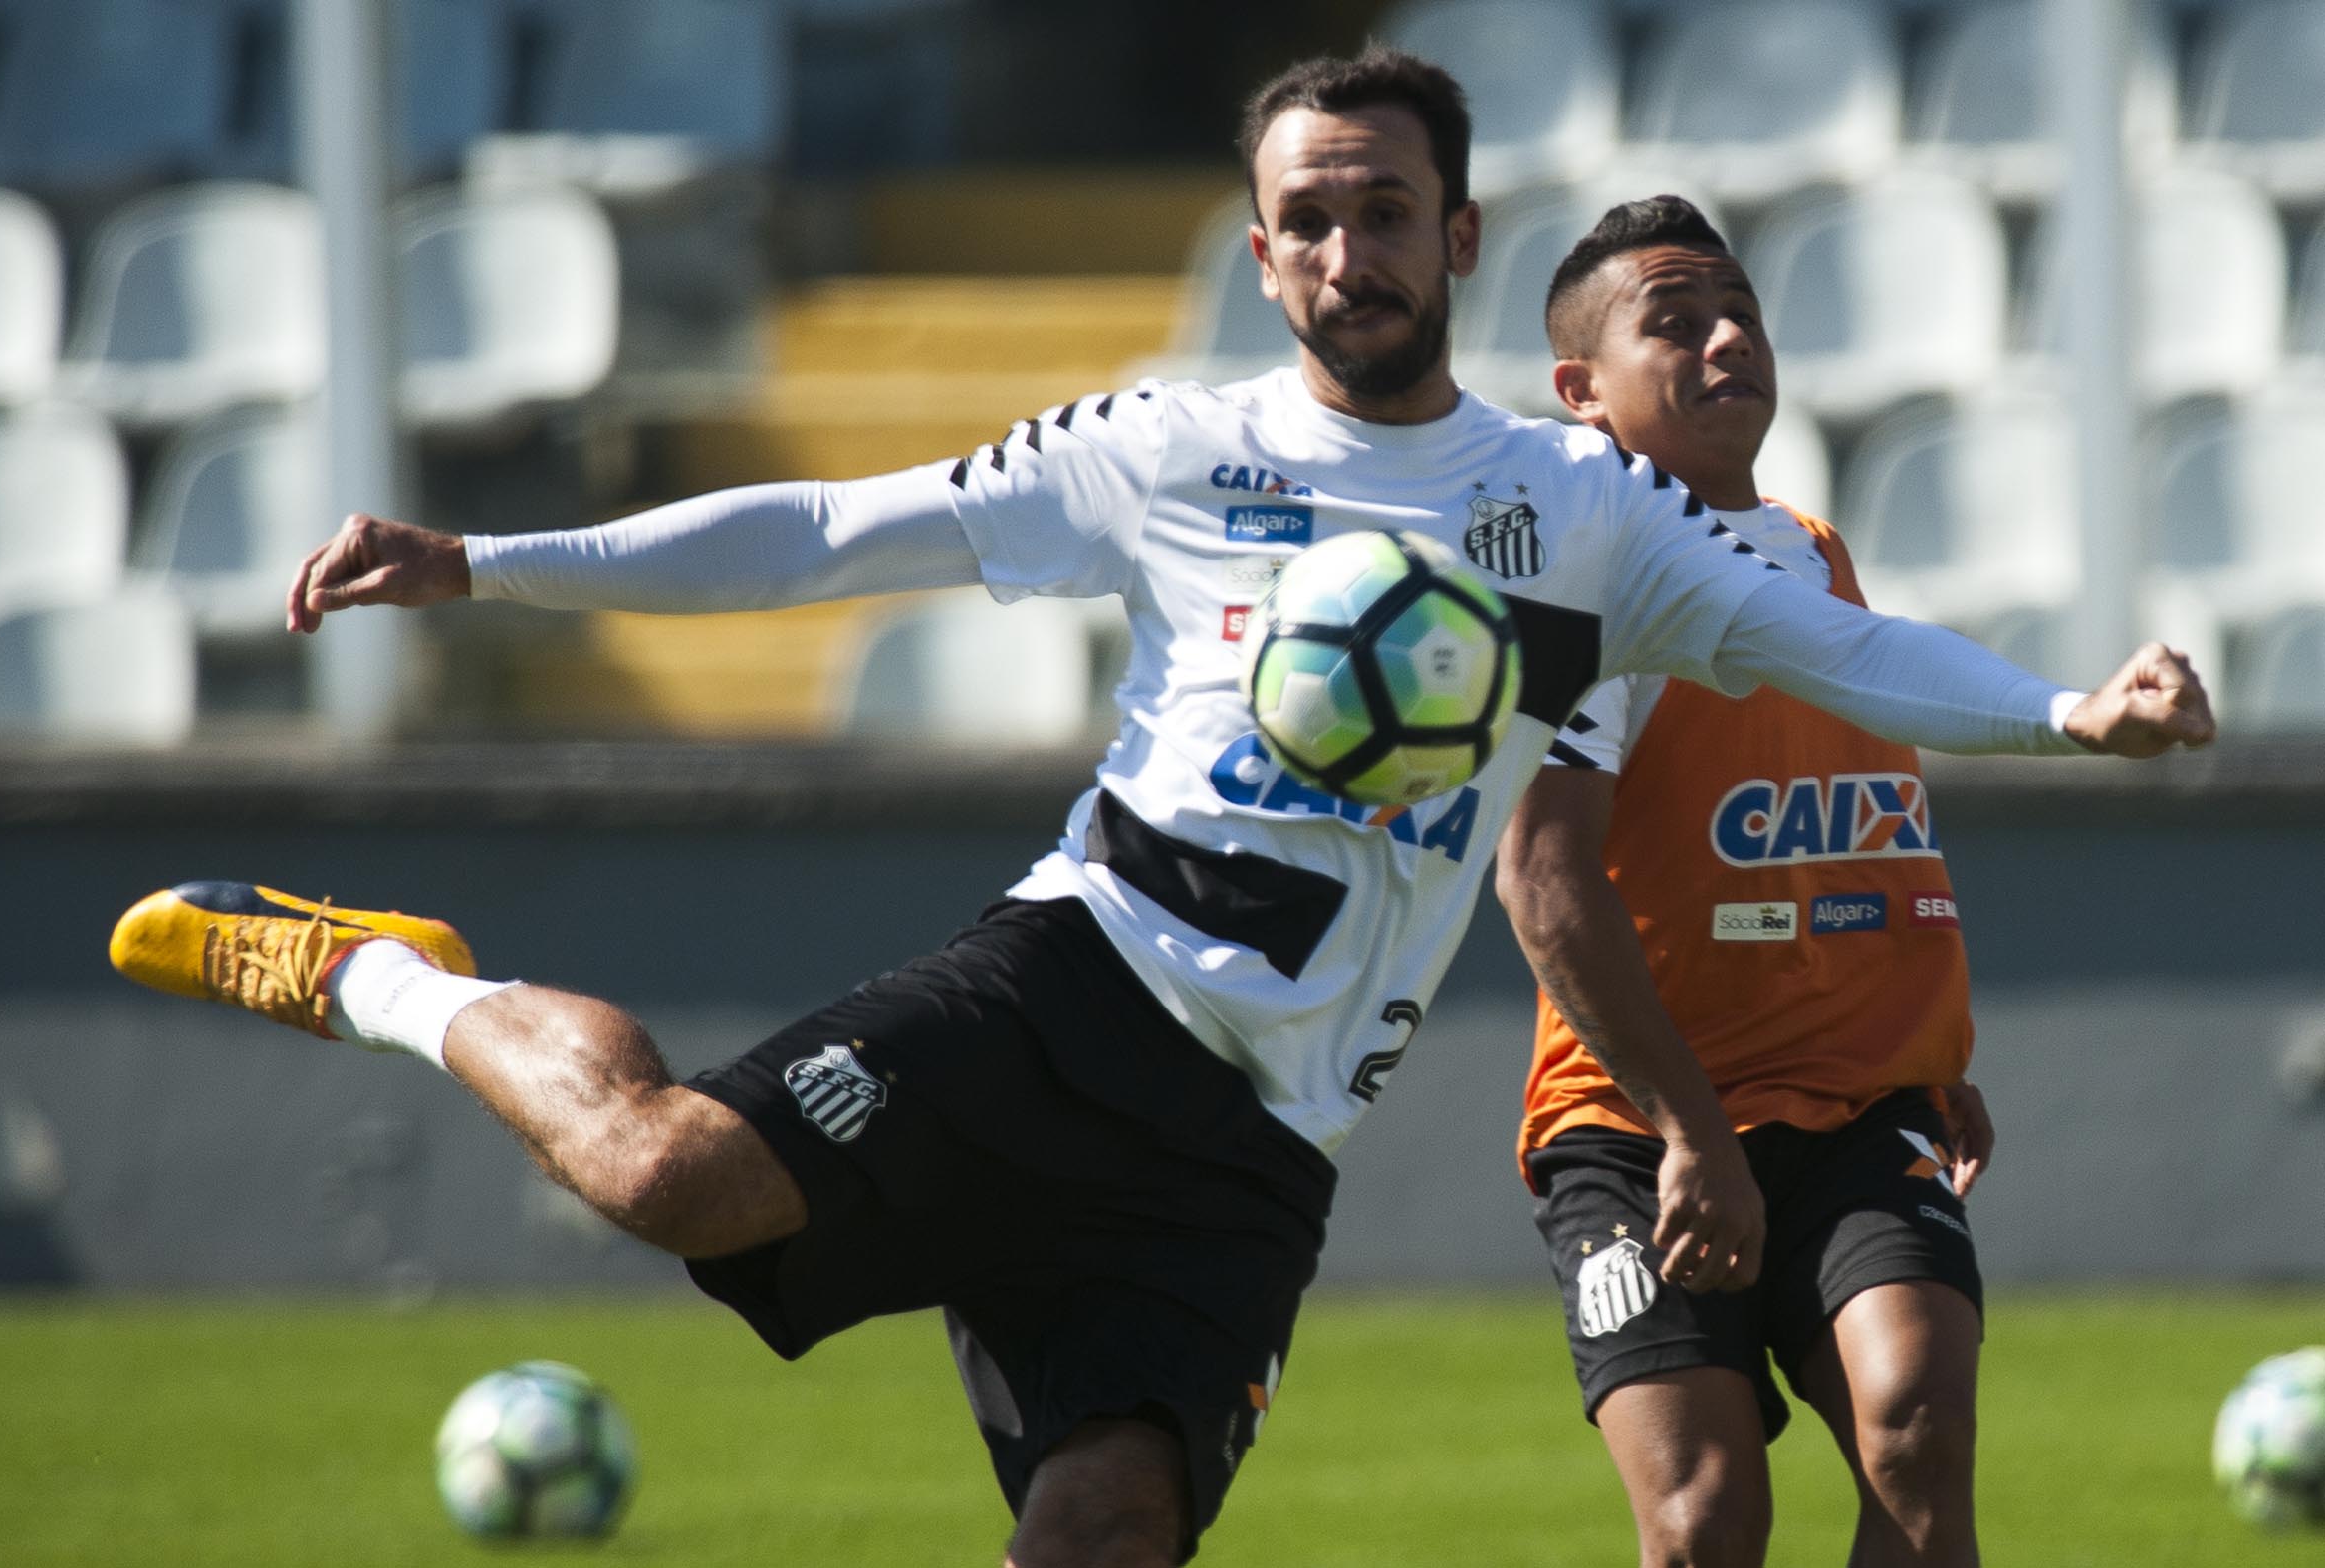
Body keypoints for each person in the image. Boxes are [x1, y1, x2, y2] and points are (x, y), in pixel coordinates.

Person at [107, 48, 2211, 1568]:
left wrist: (2063, 706)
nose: (1341, 249)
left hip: (1256, 1149)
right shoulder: (1161, 449)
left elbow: (1837, 647)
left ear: (1454, 235)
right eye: (1302, 216)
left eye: (1382, 210)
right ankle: (393, 977)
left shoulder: (1575, 511)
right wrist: (491, 562)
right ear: (1260, 247)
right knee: (661, 1171)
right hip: (1073, 989)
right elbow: (836, 530)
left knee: (1102, 1528)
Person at [1498, 195, 2007, 1568]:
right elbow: (1540, 877)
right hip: (1635, 1130)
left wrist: (1920, 1041)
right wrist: (1685, 1135)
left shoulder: (1812, 551)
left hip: (1853, 1108)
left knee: (1913, 1431)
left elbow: (1838, 837)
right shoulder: (1582, 593)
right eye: (1673, 323)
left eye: (1741, 313)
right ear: (1579, 392)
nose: (1729, 340)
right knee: (1705, 1522)